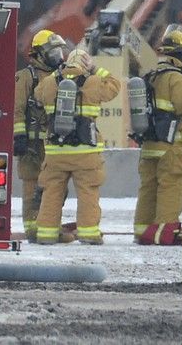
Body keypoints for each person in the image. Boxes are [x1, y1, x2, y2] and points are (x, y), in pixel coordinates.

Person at [132, 24, 182, 245]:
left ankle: (143, 231)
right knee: (170, 188)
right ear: (181, 55)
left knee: (148, 188)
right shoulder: (175, 78)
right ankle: (164, 234)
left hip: (149, 145)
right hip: (171, 145)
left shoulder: (151, 75)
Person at [33, 48, 121, 245]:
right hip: (86, 152)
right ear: (83, 63)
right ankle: (89, 234)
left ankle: (46, 234)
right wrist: (96, 69)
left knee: (52, 192)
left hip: (56, 152)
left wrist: (57, 72)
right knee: (88, 192)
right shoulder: (94, 82)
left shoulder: (48, 84)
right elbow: (115, 85)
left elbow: (37, 95)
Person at [13, 29, 68, 243]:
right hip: (32, 145)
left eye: (59, 51)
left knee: (56, 187)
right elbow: (17, 108)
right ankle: (33, 229)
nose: (58, 56)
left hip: (55, 143)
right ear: (39, 53)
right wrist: (20, 137)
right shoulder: (26, 77)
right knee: (31, 187)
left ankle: (50, 227)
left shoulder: (61, 77)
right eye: (52, 51)